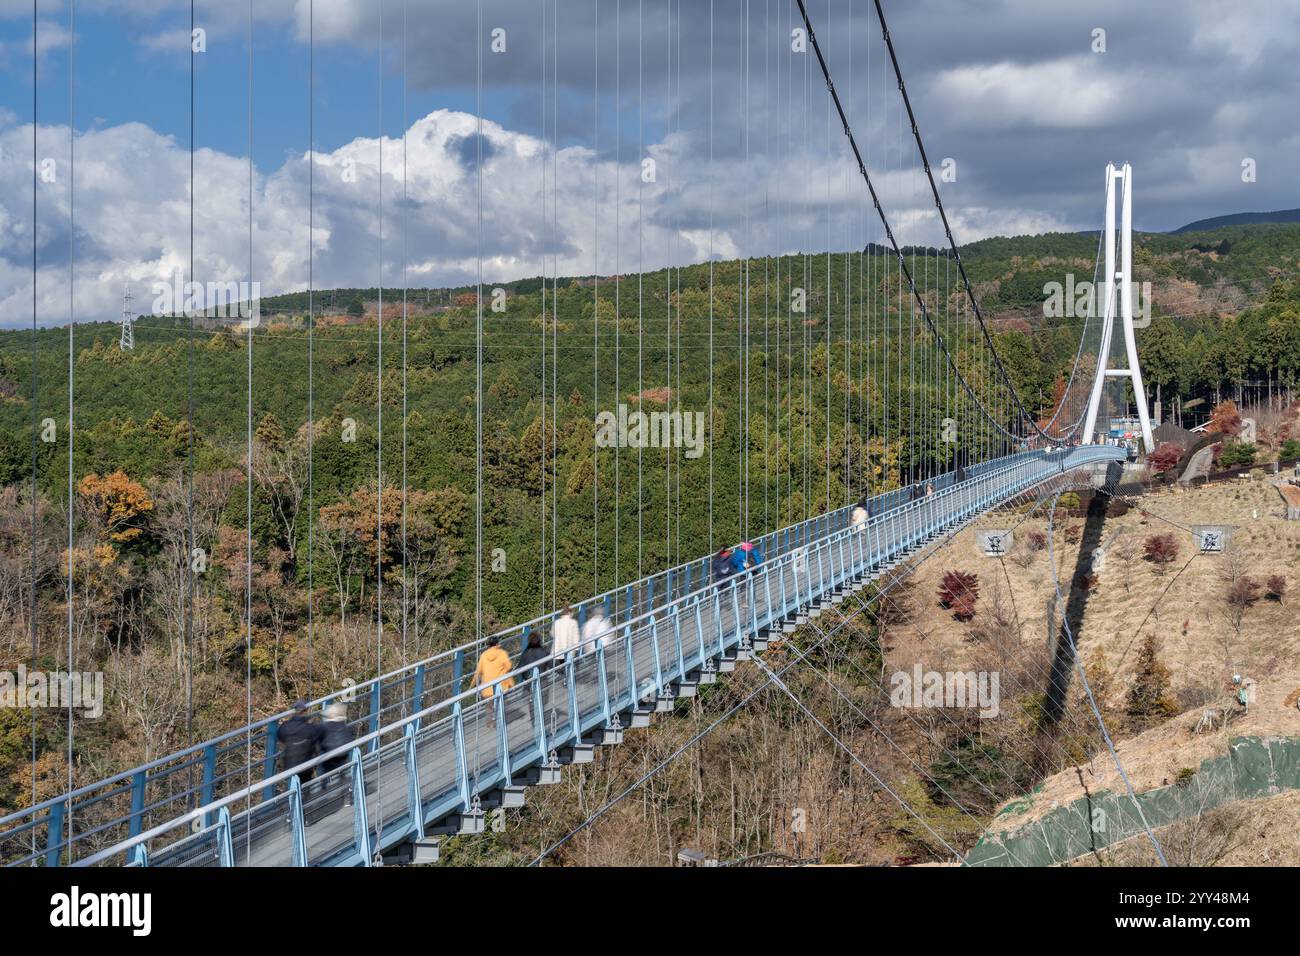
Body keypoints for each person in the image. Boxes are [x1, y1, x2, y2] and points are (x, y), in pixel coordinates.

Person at [279, 699, 323, 782]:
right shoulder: (310, 727)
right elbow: (320, 734)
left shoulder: (284, 727)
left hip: (289, 766)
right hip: (306, 766)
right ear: (306, 711)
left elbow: (280, 738)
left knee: (292, 784)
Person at [471, 636, 515, 700]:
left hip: (487, 689)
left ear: (488, 645)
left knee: (489, 708)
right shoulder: (502, 653)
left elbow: (478, 672)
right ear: (497, 644)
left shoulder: (483, 655)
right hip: (501, 686)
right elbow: (509, 666)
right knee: (503, 705)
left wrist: (472, 685)